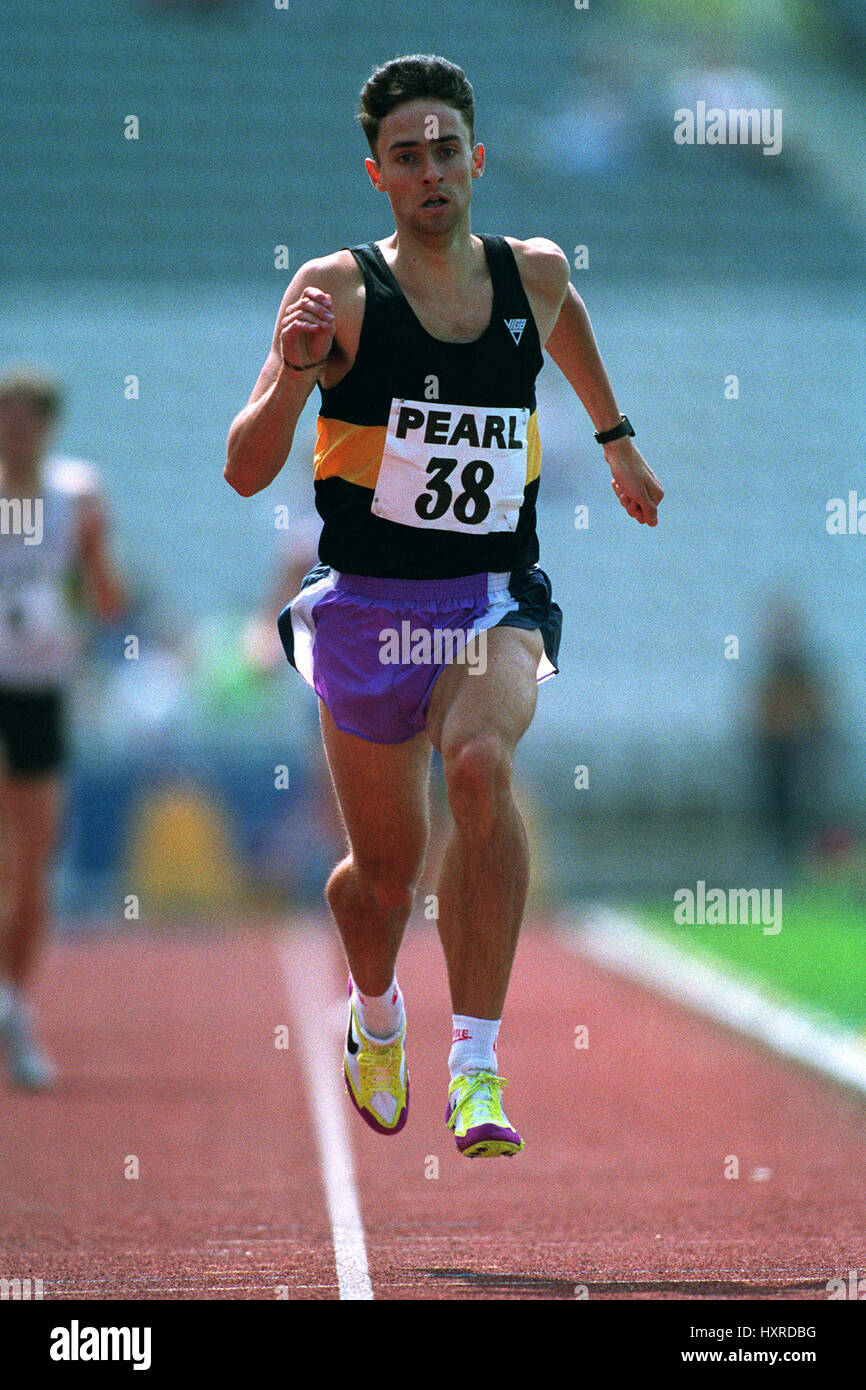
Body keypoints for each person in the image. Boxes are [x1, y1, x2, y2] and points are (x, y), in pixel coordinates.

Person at [225, 55, 663, 1157]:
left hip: (488, 597)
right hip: (368, 609)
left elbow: (564, 325)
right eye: (407, 157)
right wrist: (286, 376)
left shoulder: (535, 271)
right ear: (377, 175)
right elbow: (242, 470)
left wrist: (614, 441)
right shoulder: (338, 289)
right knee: (378, 880)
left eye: (447, 151)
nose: (432, 172)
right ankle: (377, 1018)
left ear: (479, 159)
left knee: (479, 767)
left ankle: (476, 1059)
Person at [0, 369, 125, 1088]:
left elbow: (109, 605)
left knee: (31, 863)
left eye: (29, 420)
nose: (17, 432)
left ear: (48, 427)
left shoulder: (75, 495)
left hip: (42, 690)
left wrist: (96, 549)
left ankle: (14, 1004)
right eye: (7, 419)